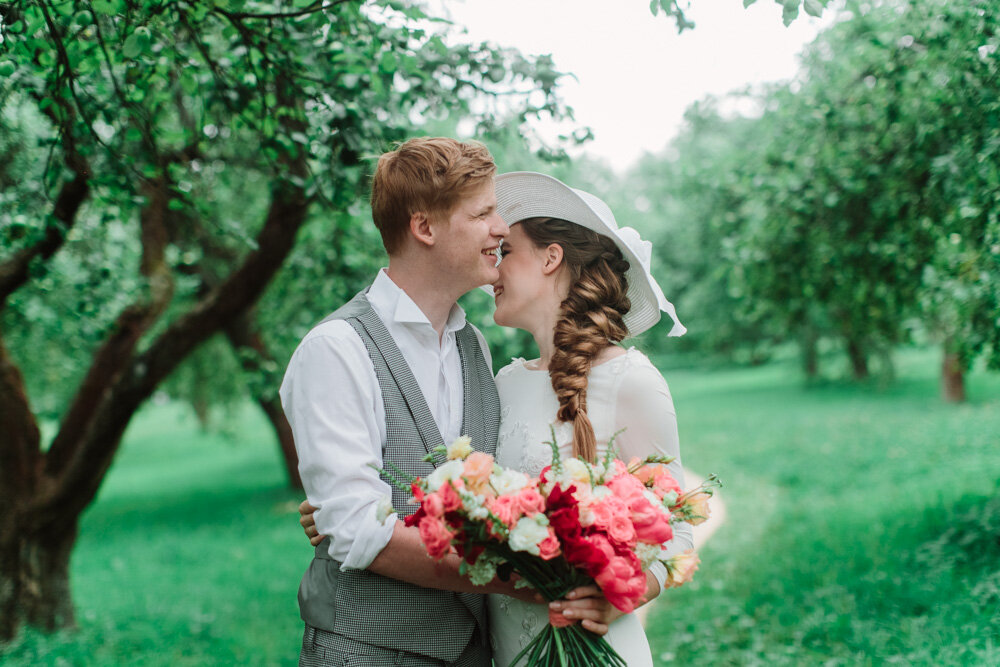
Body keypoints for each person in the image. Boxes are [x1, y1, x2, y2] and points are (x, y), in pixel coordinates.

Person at [298, 169, 694, 665]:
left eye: (507, 251)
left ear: (551, 258)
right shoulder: (502, 382)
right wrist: (338, 506)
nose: (494, 266)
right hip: (503, 647)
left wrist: (620, 596)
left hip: (589, 641)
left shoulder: (630, 381)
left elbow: (677, 530)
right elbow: (462, 491)